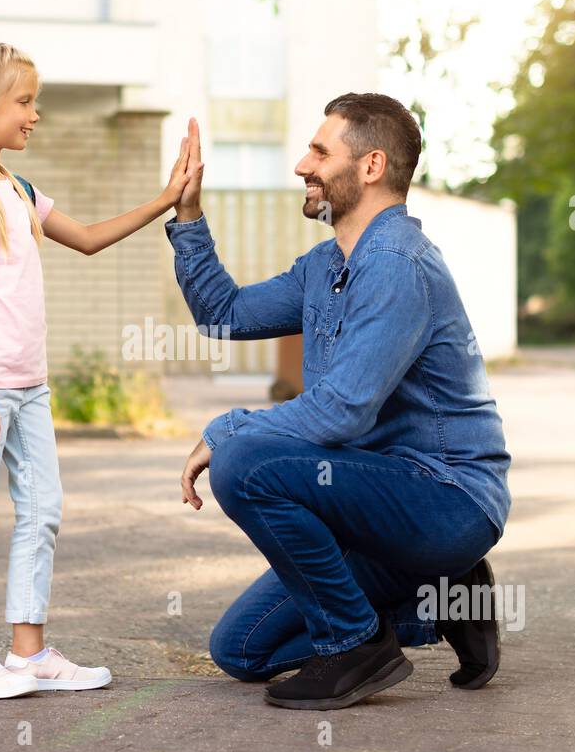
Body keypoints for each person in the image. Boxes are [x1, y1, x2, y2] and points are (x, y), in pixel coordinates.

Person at [171, 95, 511, 710]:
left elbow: (339, 413)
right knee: (242, 650)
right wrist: (189, 216)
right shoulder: (328, 263)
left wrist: (226, 429)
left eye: (320, 151)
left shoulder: (396, 264)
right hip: (374, 505)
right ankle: (442, 599)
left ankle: (357, 647)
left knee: (244, 463)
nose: (303, 164)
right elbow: (223, 315)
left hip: (444, 499)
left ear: (372, 165)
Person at [0, 41, 201, 698]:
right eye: (24, 102)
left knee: (42, 510)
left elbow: (87, 236)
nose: (35, 115)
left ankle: (28, 652)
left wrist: (168, 198)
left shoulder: (19, 189)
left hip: (30, 387)